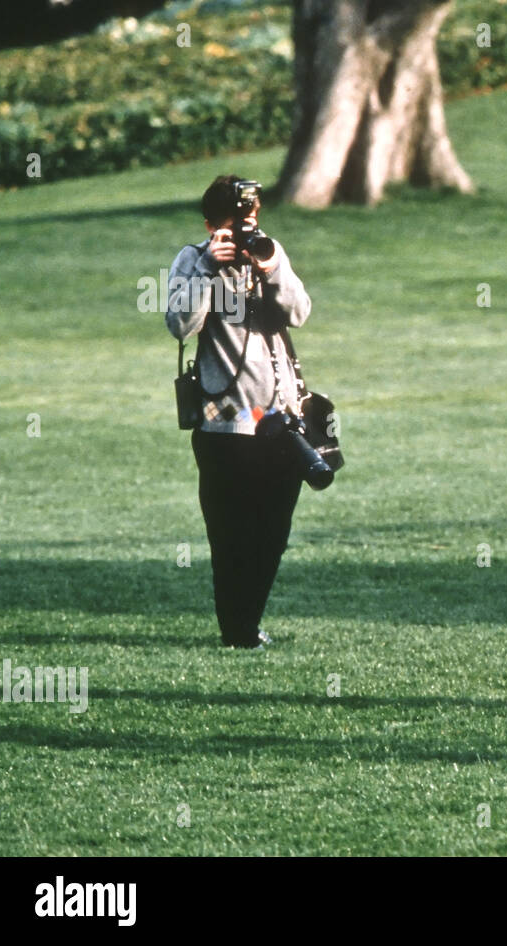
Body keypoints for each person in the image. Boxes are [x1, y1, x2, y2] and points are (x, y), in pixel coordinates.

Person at [166, 175, 313, 649]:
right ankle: (239, 630)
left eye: (250, 222)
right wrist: (209, 268)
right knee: (231, 536)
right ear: (211, 225)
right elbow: (180, 325)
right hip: (224, 424)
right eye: (234, 226)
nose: (246, 233)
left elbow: (299, 312)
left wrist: (271, 267)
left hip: (280, 423)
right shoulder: (193, 259)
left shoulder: (269, 251)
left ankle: (247, 622)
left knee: (273, 534)